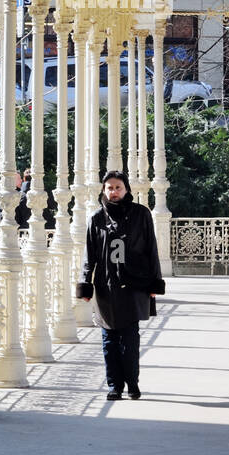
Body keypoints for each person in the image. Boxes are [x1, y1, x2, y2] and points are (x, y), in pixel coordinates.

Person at [76, 170, 165, 400]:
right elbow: (90, 254)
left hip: (134, 284)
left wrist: (155, 281)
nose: (114, 192)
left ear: (126, 189)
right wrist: (85, 282)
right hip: (106, 287)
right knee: (109, 338)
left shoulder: (141, 214)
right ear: (103, 191)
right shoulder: (96, 219)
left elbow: (151, 250)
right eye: (110, 188)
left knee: (130, 336)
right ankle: (114, 386)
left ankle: (132, 383)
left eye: (118, 187)